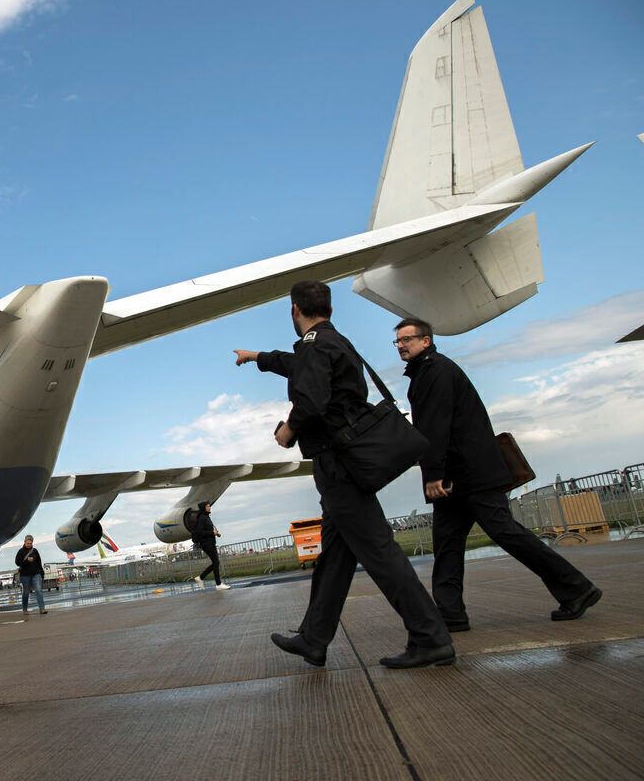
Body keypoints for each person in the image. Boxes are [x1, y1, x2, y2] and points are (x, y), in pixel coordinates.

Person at [234, 280, 453, 669]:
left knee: (380, 553)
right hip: (345, 464)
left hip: (338, 465)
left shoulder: (316, 346)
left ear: (294, 310)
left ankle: (430, 637)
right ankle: (314, 640)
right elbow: (296, 364)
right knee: (334, 557)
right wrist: (257, 357)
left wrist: (289, 429)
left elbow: (312, 400)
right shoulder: (334, 342)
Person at [395, 317, 602, 628]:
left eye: (407, 339)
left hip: (470, 475)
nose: (401, 345)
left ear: (426, 340)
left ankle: (577, 588)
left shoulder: (434, 371)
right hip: (459, 477)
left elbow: (438, 426)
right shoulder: (427, 372)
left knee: (506, 534)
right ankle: (451, 614)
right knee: (447, 545)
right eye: (397, 341)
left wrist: (433, 473)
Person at [189, 502, 231, 590]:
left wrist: (215, 533)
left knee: (216, 563)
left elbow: (207, 530)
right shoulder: (202, 518)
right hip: (206, 544)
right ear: (204, 508)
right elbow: (200, 532)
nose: (210, 507)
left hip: (211, 543)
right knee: (216, 562)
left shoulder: (206, 517)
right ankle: (218, 584)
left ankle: (201, 578)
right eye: (208, 506)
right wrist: (212, 533)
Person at [15, 535, 47, 615]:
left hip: (36, 574)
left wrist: (42, 572)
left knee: (39, 590)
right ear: (24, 542)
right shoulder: (20, 551)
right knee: (26, 592)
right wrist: (27, 561)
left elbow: (39, 562)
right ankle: (25, 609)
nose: (29, 544)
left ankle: (42, 609)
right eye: (28, 543)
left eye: (30, 543)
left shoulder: (35, 551)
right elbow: (18, 563)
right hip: (25, 575)